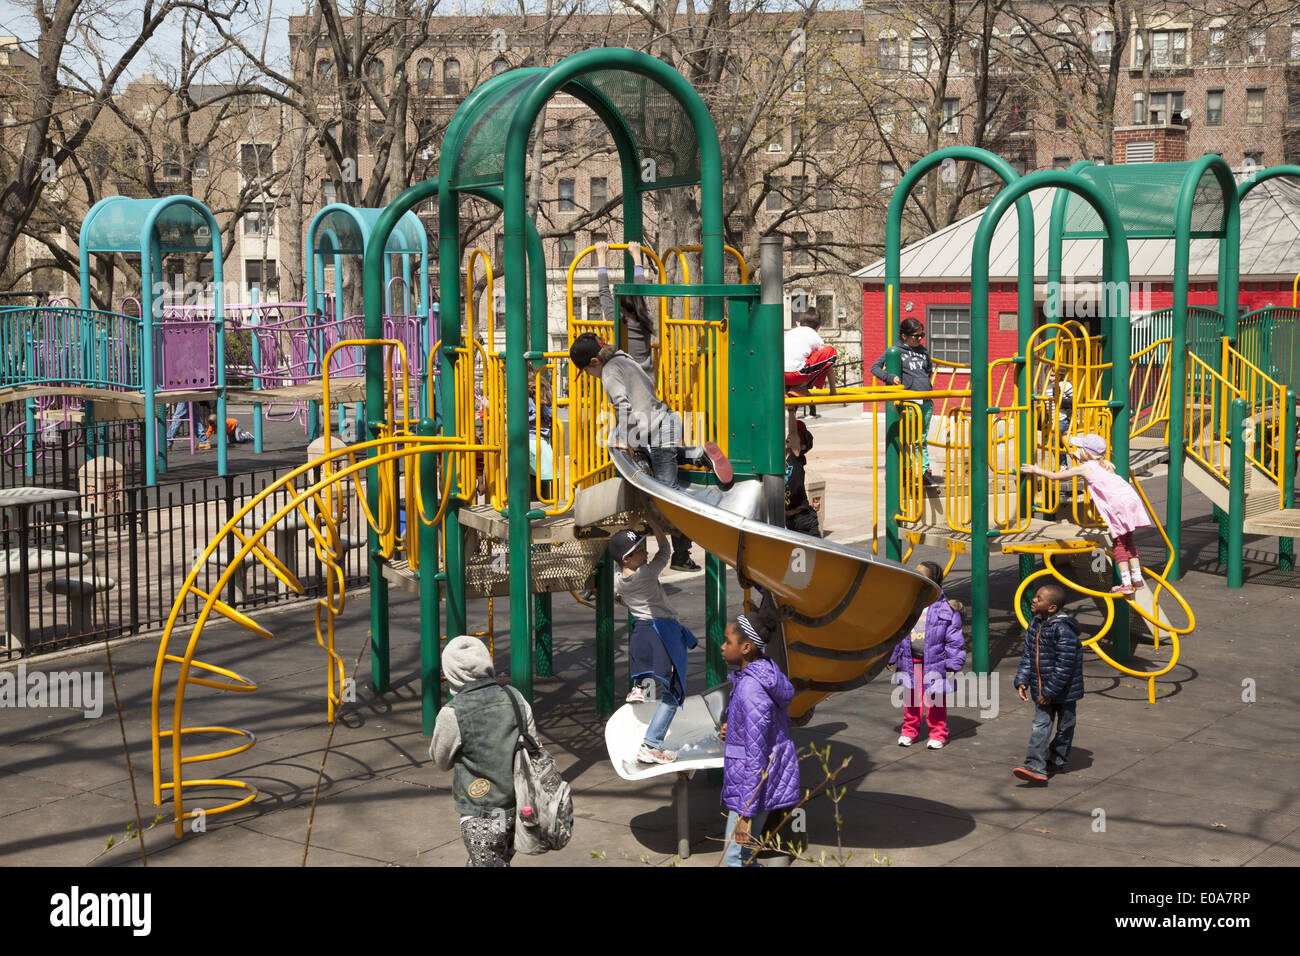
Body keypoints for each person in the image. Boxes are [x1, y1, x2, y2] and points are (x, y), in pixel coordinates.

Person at [569, 331, 733, 571]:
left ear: (594, 362)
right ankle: (698, 455)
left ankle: (682, 554)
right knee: (655, 459)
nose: (588, 376)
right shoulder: (625, 359)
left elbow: (622, 405)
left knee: (669, 495)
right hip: (664, 424)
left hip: (660, 431)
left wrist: (626, 438)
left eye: (585, 371)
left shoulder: (608, 372)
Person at [429, 635, 537, 866]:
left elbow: (441, 760)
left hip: (481, 813)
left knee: (486, 861)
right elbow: (534, 746)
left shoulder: (452, 713)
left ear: (450, 673)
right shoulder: (515, 697)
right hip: (520, 807)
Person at [610, 520, 698, 764]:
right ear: (626, 559)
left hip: (641, 630)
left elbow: (619, 556)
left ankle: (640, 689)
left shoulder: (618, 577)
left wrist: (629, 529)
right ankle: (651, 744)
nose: (644, 552)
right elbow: (665, 552)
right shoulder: (645, 574)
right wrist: (657, 527)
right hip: (662, 629)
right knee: (675, 691)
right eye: (639, 551)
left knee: (648, 671)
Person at [1022, 433, 1151, 594]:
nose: (1077, 450)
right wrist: (1079, 455)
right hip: (1130, 500)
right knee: (1128, 542)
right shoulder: (1106, 464)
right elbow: (1090, 463)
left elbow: (1055, 476)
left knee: (1118, 544)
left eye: (1079, 449)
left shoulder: (1085, 467)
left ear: (1087, 453)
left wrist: (1036, 469)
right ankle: (1137, 579)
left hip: (1119, 505)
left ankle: (1126, 583)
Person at [719, 614, 800, 867]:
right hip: (757, 781)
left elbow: (756, 753)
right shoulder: (761, 673)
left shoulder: (751, 688)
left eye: (727, 641)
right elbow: (757, 730)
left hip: (754, 784)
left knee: (733, 858)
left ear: (746, 647)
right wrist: (731, 728)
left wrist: (745, 812)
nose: (722, 646)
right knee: (741, 856)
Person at [886, 560, 966, 750]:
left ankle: (938, 733)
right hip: (910, 660)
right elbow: (899, 633)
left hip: (935, 662)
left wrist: (953, 664)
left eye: (921, 575)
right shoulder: (909, 604)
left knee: (935, 700)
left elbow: (954, 640)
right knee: (911, 699)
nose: (915, 577)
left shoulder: (946, 609)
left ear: (932, 583)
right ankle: (909, 731)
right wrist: (892, 655)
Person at [1012, 583, 1083, 784]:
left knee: (1066, 726)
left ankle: (1057, 759)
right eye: (1035, 597)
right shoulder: (1035, 624)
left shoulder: (1063, 630)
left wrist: (1049, 691)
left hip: (1065, 690)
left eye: (1039, 599)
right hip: (1043, 690)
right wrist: (1022, 680)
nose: (1034, 600)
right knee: (1040, 725)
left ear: (1052, 608)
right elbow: (1028, 655)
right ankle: (1035, 766)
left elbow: (1065, 665)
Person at [870, 316, 937, 484]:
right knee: (908, 439)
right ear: (904, 336)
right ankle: (907, 470)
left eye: (921, 335)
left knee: (920, 438)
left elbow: (928, 369)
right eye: (915, 336)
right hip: (909, 402)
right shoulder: (895, 351)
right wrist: (890, 377)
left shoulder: (923, 351)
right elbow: (875, 368)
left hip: (926, 401)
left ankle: (924, 471)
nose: (919, 339)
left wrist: (925, 385)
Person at [596, 241, 656, 377]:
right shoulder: (646, 318)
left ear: (621, 306)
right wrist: (637, 256)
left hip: (627, 378)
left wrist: (601, 257)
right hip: (647, 379)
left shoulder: (618, 320)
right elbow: (640, 292)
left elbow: (604, 292)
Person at [783, 310, 838, 417]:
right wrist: (833, 391)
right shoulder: (814, 336)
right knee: (830, 352)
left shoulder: (789, 333)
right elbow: (828, 365)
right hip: (797, 375)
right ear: (818, 328)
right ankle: (800, 388)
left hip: (780, 376)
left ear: (799, 323)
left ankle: (785, 390)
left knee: (800, 357)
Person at [785, 419, 820, 537]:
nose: (790, 436)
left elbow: (793, 430)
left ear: (802, 447)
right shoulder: (778, 458)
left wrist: (791, 409)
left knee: (816, 554)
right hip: (790, 521)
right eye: (789, 434)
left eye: (795, 436)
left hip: (804, 520)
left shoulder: (796, 459)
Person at [525, 365, 556, 500]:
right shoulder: (545, 394)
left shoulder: (524, 397)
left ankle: (526, 507)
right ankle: (538, 504)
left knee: (526, 479)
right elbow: (549, 413)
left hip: (528, 440)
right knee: (536, 479)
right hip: (541, 441)